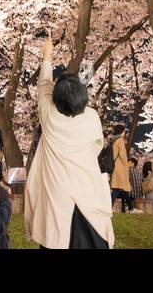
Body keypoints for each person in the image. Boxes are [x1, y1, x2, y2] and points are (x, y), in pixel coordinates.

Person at [23, 36, 115, 248]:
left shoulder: (49, 116)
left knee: (56, 237)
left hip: (57, 197)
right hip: (88, 193)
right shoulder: (92, 117)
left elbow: (44, 86)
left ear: (55, 100)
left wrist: (47, 56)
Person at [109, 124, 131, 211]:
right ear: (121, 131)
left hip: (115, 165)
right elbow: (122, 155)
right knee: (118, 188)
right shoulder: (120, 140)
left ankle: (131, 208)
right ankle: (108, 207)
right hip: (120, 166)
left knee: (122, 188)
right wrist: (127, 165)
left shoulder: (113, 140)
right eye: (124, 131)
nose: (125, 133)